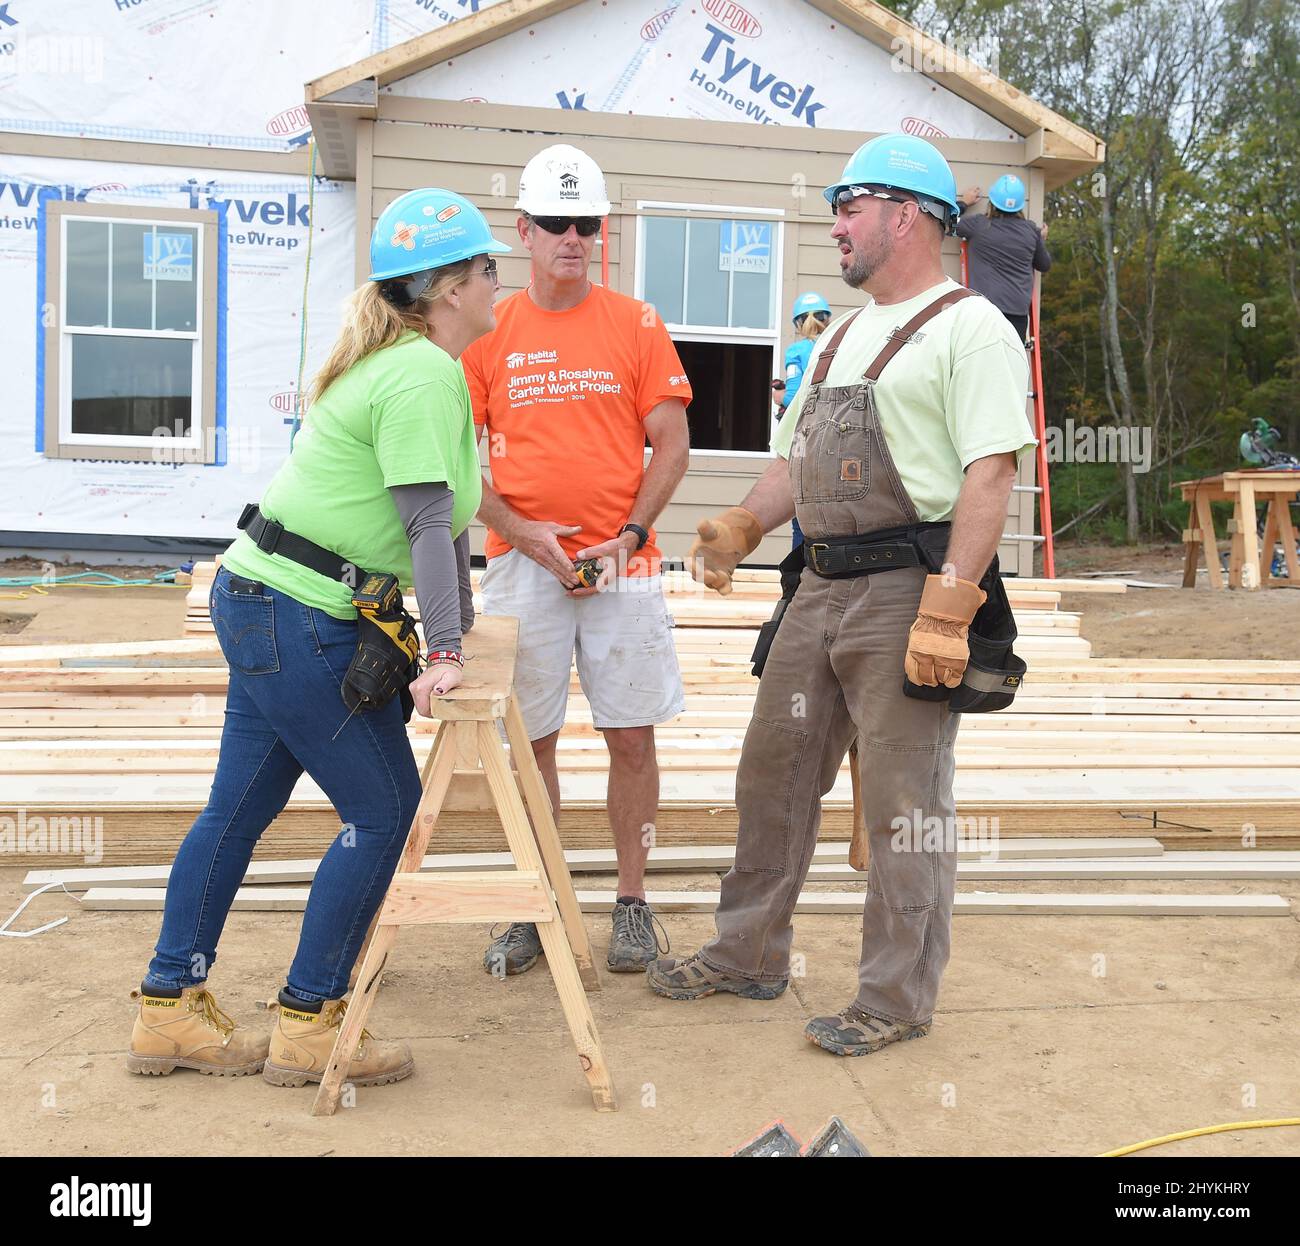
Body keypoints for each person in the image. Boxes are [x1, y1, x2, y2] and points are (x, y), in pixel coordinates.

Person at [646, 134, 1036, 1056]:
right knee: (771, 776)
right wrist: (742, 526)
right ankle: (748, 953)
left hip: (910, 587)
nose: (836, 228)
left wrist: (952, 605)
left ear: (907, 216)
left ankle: (894, 999)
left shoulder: (972, 327)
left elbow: (990, 474)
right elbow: (794, 462)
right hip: (816, 588)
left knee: (905, 803)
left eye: (849, 209)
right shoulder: (838, 340)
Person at [126, 189, 511, 1088]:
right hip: (296, 611)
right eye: (491, 267)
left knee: (238, 810)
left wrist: (457, 623)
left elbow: (447, 520)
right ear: (451, 287)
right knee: (385, 812)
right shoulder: (420, 372)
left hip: (265, 598)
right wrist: (446, 654)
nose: (502, 281)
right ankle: (309, 1020)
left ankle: (168, 1011)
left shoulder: (418, 365)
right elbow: (423, 522)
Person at [461, 144, 692, 977]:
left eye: (585, 223)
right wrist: (527, 534)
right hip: (526, 566)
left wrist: (628, 537)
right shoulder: (489, 331)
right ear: (522, 229)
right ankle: (538, 902)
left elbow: (672, 444)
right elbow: (459, 463)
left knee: (630, 736)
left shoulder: (635, 323)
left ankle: (631, 904)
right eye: (554, 222)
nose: (571, 237)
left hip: (620, 564)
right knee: (532, 742)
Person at [955, 173, 1051, 343]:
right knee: (1009, 364)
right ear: (1020, 206)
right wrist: (1039, 241)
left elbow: (945, 222)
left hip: (983, 312)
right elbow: (1044, 265)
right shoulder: (1031, 231)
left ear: (992, 202)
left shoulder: (979, 225)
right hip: (1017, 315)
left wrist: (963, 203)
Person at [775, 292, 832, 549]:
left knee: (801, 513)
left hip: (804, 440)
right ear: (827, 319)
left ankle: (798, 579)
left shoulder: (797, 350)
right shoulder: (837, 345)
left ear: (798, 324)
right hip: (834, 437)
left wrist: (778, 396)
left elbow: (793, 396)